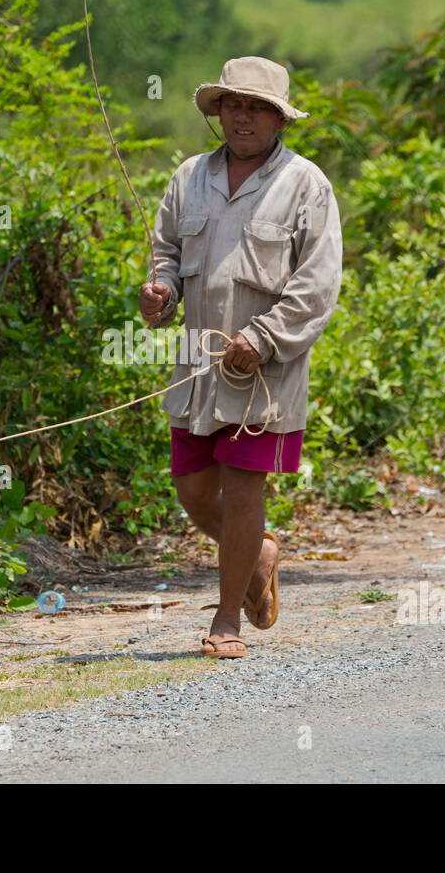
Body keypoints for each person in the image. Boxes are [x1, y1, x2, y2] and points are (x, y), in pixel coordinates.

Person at [139, 56, 343, 659]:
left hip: (266, 371)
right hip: (197, 365)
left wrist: (265, 337)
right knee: (193, 491)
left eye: (257, 107)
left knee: (244, 487)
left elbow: (318, 283)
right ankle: (258, 553)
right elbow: (165, 253)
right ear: (218, 112)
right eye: (234, 105)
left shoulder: (306, 184)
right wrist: (161, 293)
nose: (243, 116)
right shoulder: (188, 177)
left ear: (279, 118)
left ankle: (225, 620)